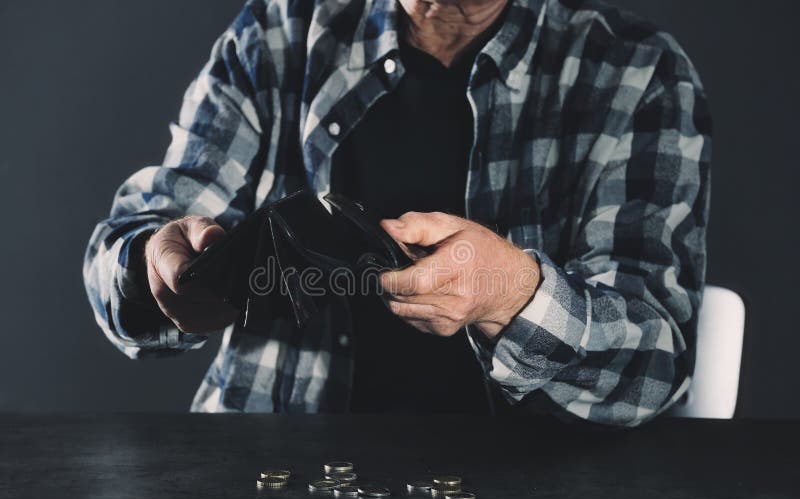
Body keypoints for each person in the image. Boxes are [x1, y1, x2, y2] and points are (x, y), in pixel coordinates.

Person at [83, 0, 711, 426]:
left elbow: (655, 364)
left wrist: (514, 296)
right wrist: (153, 268)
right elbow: (133, 251)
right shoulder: (279, 33)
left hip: (530, 491)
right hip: (274, 468)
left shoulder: (635, 71)